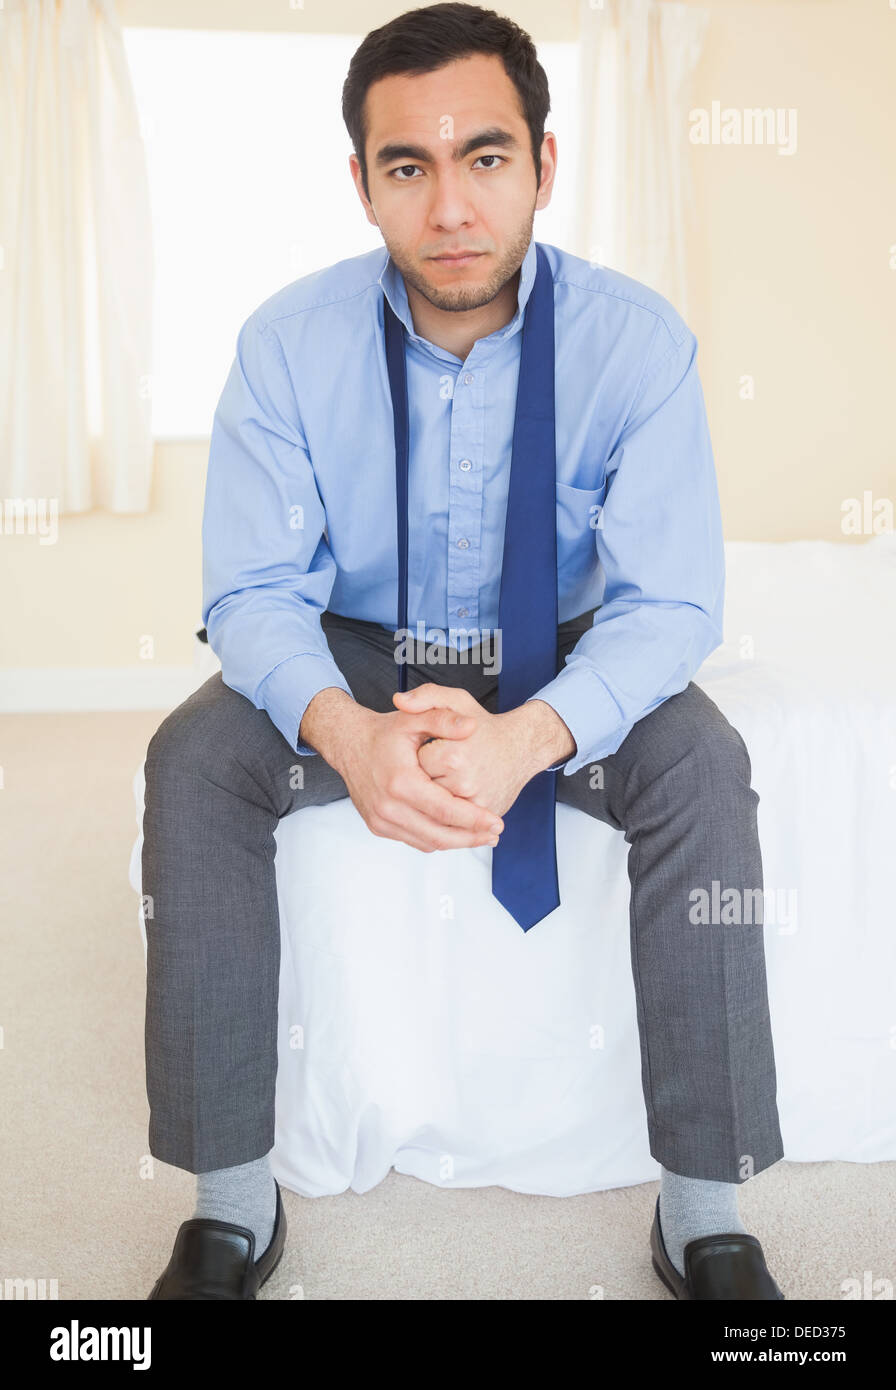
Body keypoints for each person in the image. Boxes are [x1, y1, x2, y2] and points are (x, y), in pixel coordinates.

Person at [145, 2, 785, 1301]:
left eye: (485, 157)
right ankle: (228, 1207)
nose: (450, 206)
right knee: (194, 755)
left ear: (546, 164)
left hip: (561, 645)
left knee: (705, 767)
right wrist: (347, 729)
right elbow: (256, 587)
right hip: (363, 643)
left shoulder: (637, 345)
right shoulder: (285, 343)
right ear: (364, 185)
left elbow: (673, 600)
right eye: (409, 165)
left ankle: (706, 1220)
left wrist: (533, 734)